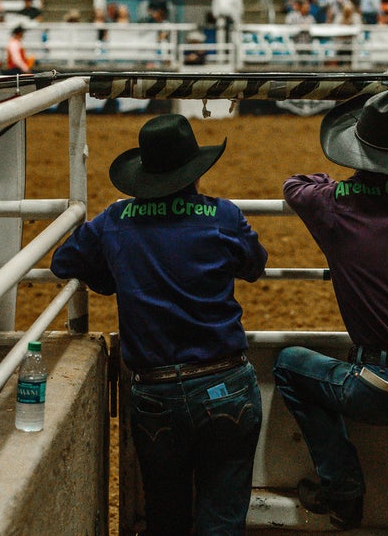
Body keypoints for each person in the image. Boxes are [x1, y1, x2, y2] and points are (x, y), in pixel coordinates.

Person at [50, 114, 267, 535]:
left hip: (156, 391)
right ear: (195, 171)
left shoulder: (116, 219)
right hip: (224, 383)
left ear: (144, 174)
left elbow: (64, 261)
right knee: (222, 519)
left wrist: (111, 277)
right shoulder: (222, 215)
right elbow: (254, 265)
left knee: (165, 519)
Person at [273, 86, 388, 533]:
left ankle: (342, 487)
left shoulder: (333, 204)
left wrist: (342, 182)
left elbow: (295, 186)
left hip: (376, 384)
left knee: (289, 365)